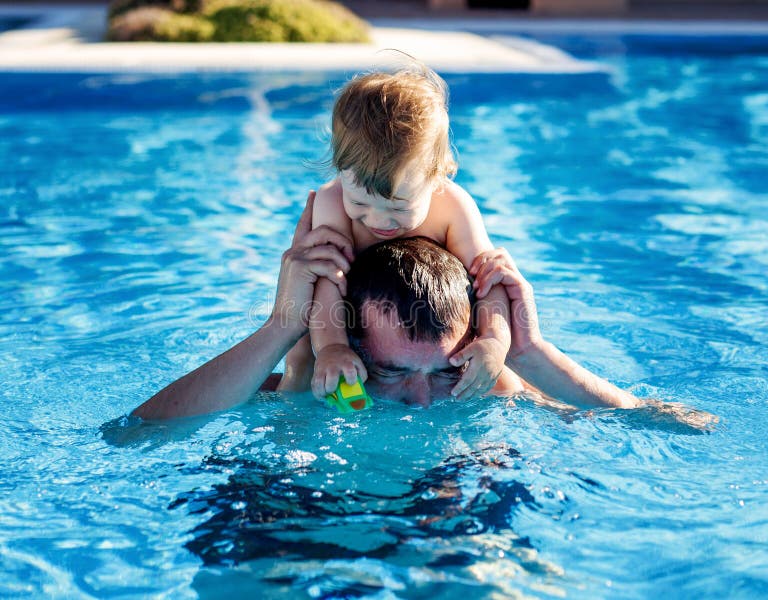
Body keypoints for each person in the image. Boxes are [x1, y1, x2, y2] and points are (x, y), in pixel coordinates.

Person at [132, 192, 640, 421]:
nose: (421, 400)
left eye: (445, 373)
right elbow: (134, 434)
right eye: (392, 371)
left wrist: (529, 351)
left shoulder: (489, 383)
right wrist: (284, 328)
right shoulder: (308, 383)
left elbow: (670, 422)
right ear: (351, 347)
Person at [281, 65, 512, 402]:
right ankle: (290, 421)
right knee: (302, 353)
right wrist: (331, 347)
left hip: (429, 322)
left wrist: (495, 340)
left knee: (497, 372)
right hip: (347, 315)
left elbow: (488, 281)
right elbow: (327, 282)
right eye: (359, 202)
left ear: (436, 178)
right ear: (340, 170)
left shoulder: (453, 206)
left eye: (398, 206)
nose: (378, 219)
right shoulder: (331, 201)